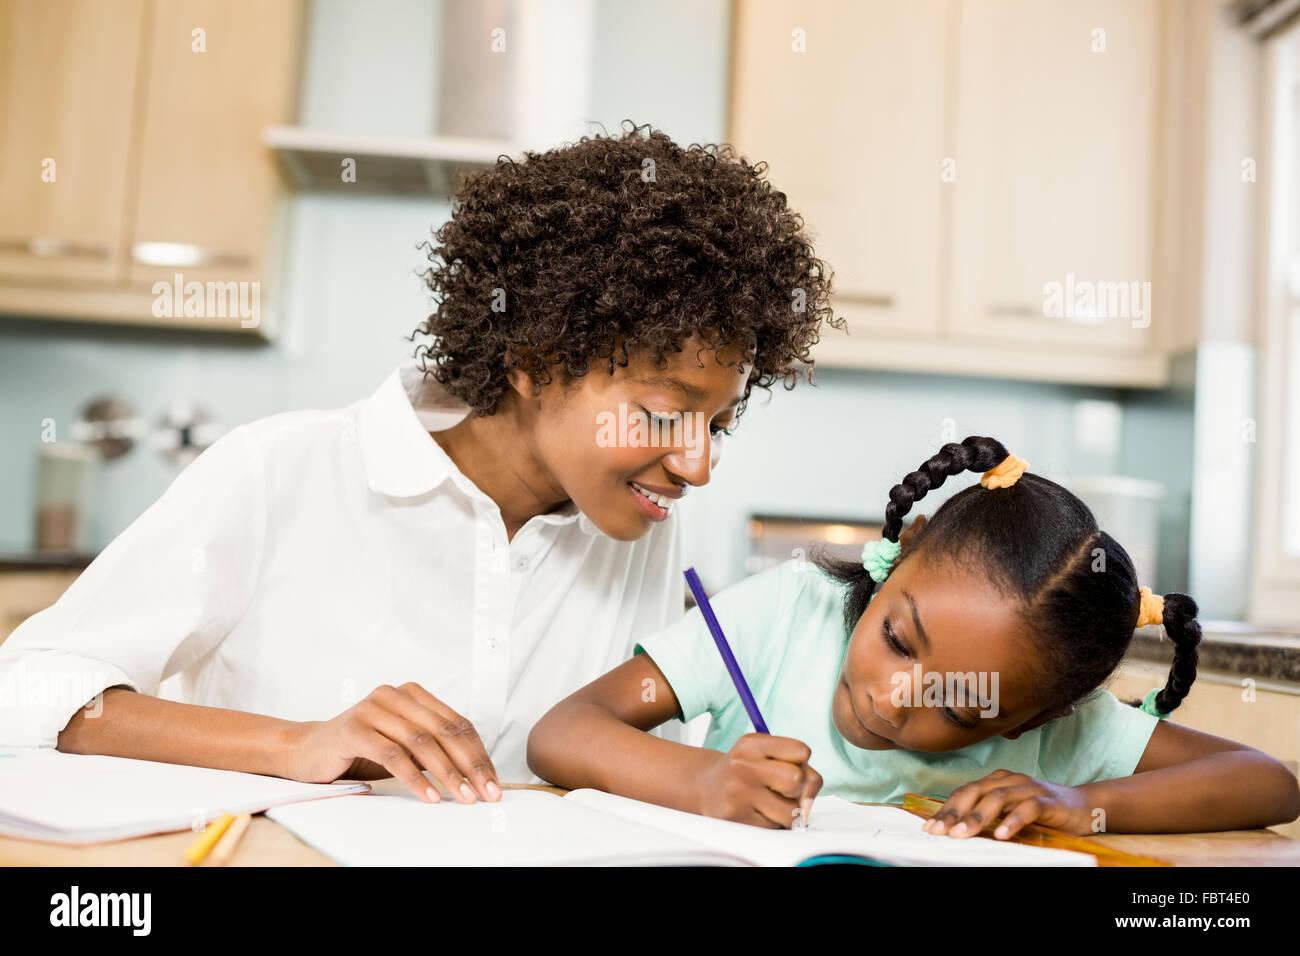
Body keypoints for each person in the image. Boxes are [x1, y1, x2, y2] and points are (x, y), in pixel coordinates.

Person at [0, 123, 835, 804]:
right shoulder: (282, 470)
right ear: (536, 360)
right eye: (665, 412)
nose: (698, 467)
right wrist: (303, 744)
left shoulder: (641, 532)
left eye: (718, 424)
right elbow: (25, 691)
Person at [527, 436, 1300, 836]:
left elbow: (1269, 782)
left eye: (961, 709)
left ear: (1031, 720)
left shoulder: (1053, 728)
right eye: (899, 639)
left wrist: (1079, 801)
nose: (894, 704)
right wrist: (701, 782)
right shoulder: (787, 613)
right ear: (905, 547)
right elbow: (563, 732)